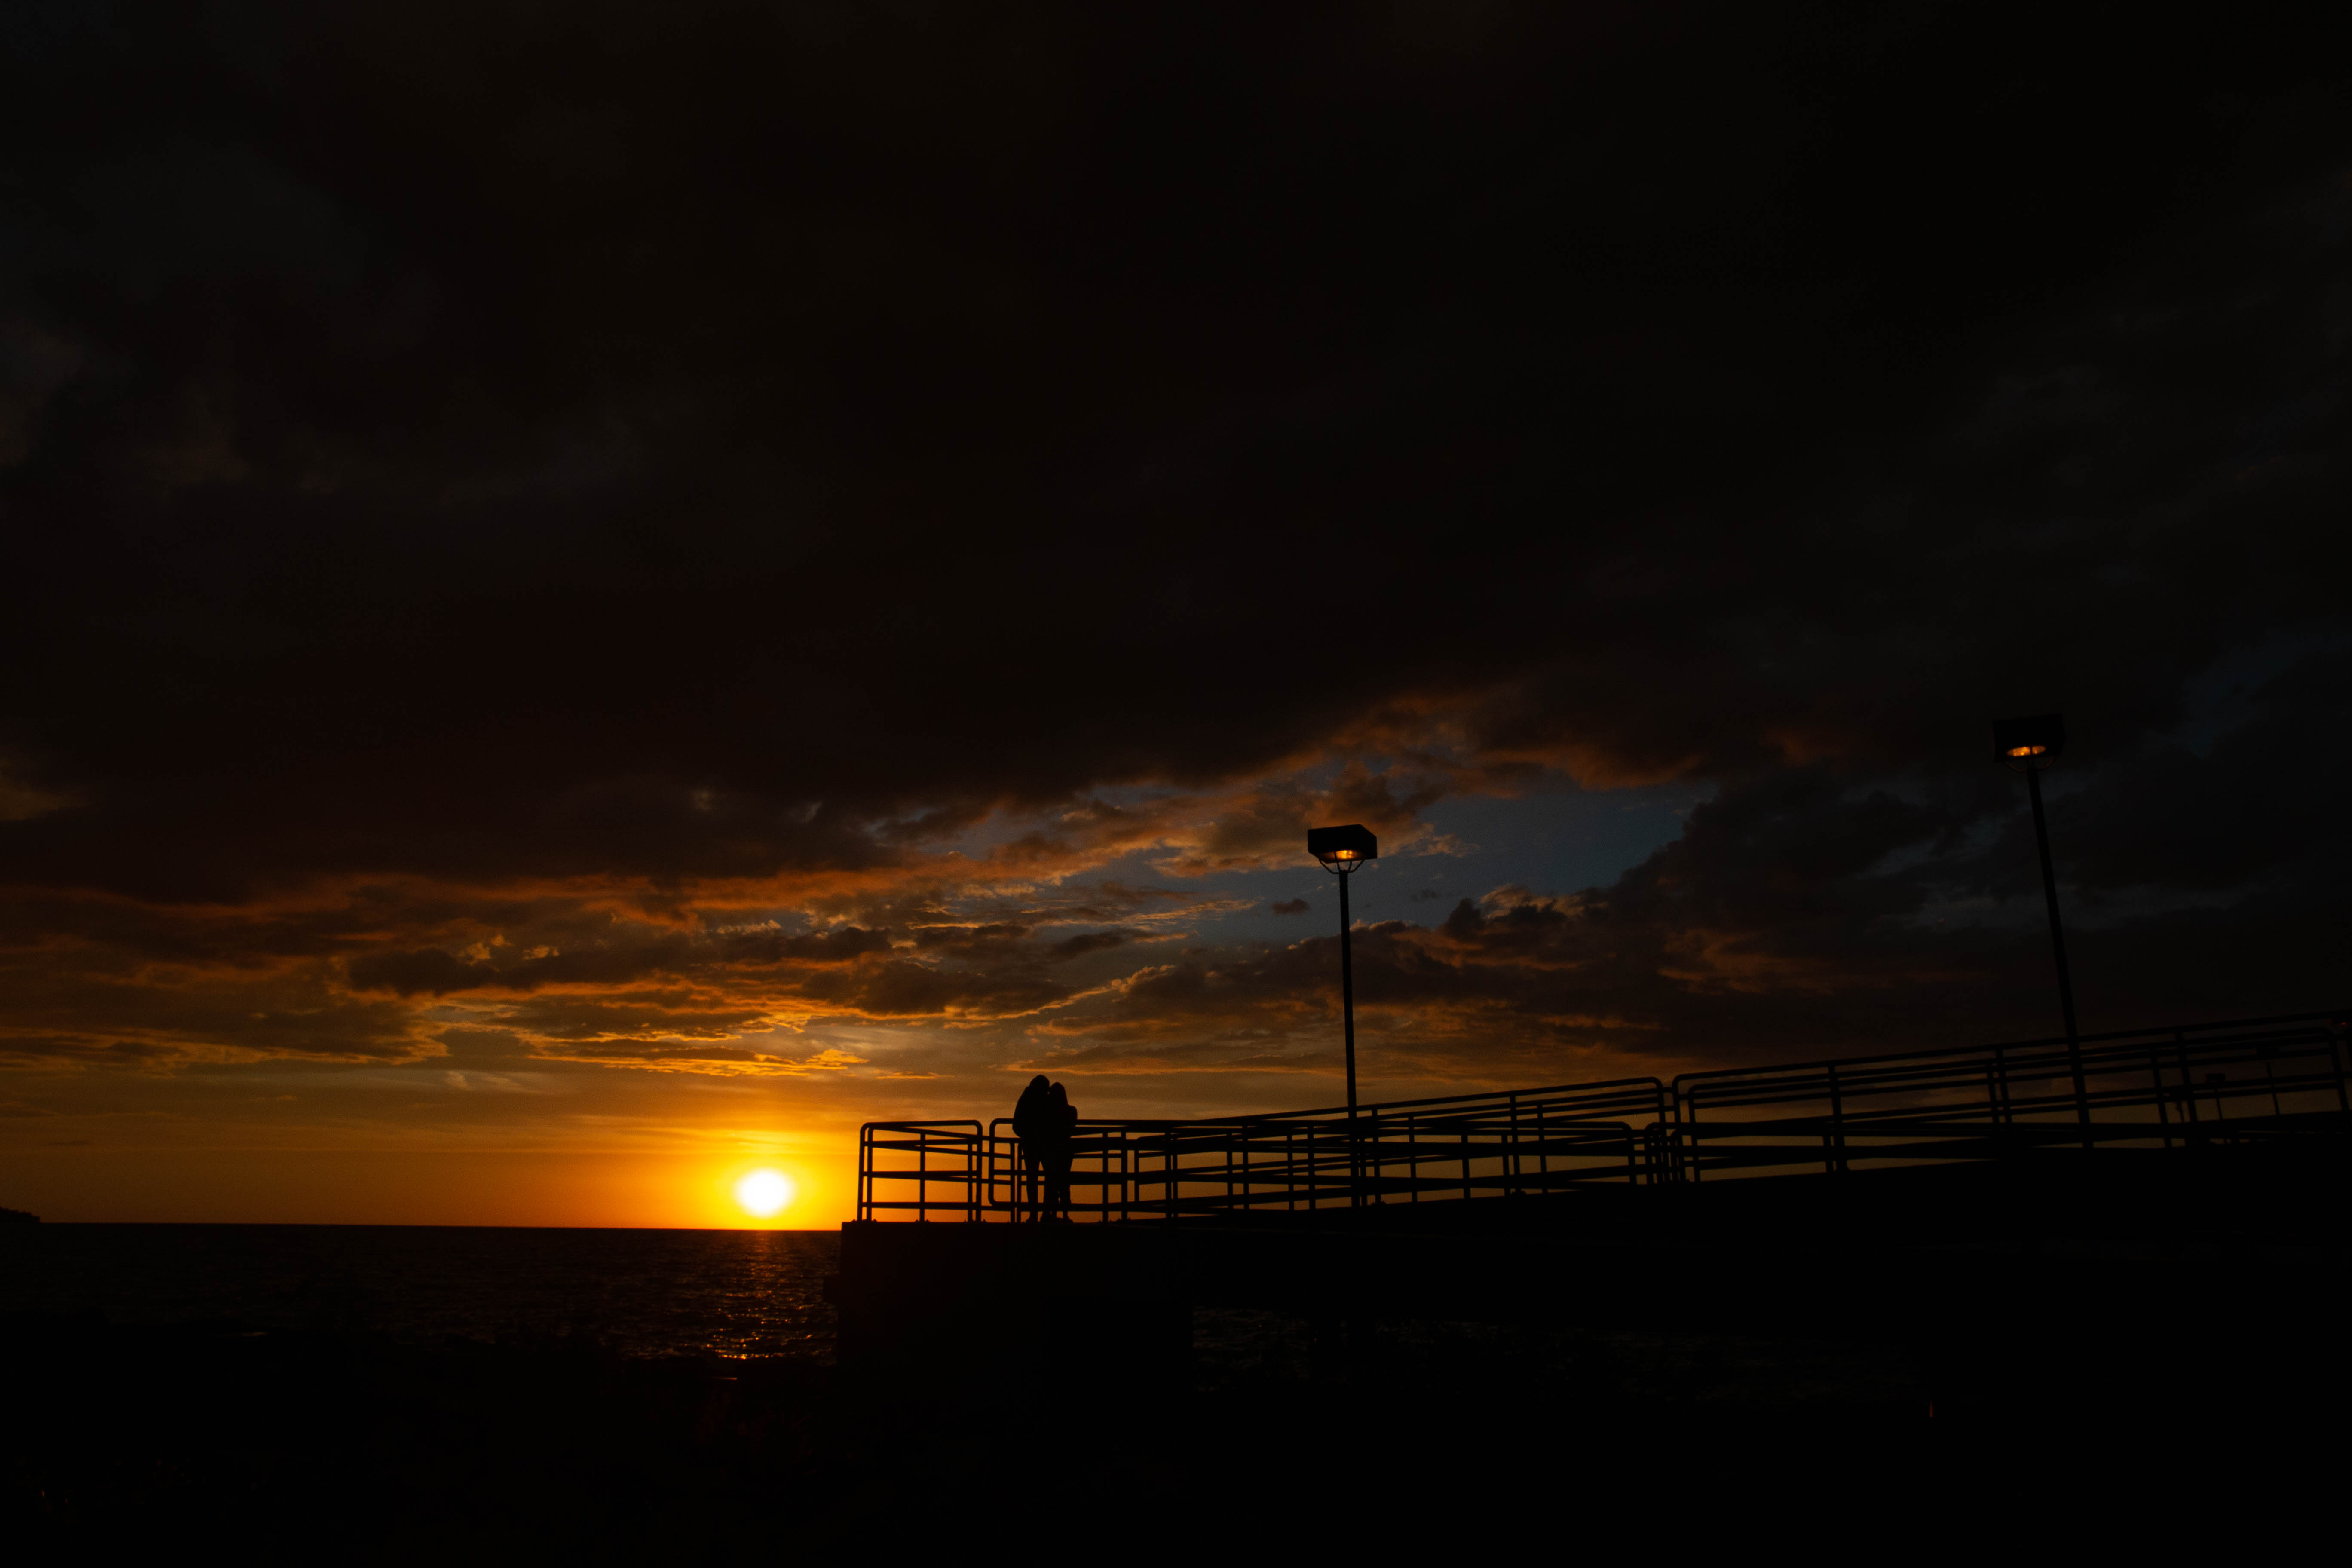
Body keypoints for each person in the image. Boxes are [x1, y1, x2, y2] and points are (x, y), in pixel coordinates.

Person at [1011, 1073, 1054, 1222]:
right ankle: (1045, 1213)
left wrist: (1028, 1134)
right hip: (1043, 1145)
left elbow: (1016, 1125)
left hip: (1032, 1145)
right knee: (1048, 1178)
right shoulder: (1047, 1101)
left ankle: (1036, 1214)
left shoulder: (1026, 1099)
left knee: (1033, 1179)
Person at [1044, 1081, 1078, 1222]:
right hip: (1066, 1151)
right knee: (1064, 1181)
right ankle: (1065, 1214)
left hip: (1051, 1151)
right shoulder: (1072, 1111)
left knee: (1050, 1180)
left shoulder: (1047, 1112)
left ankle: (1049, 1214)